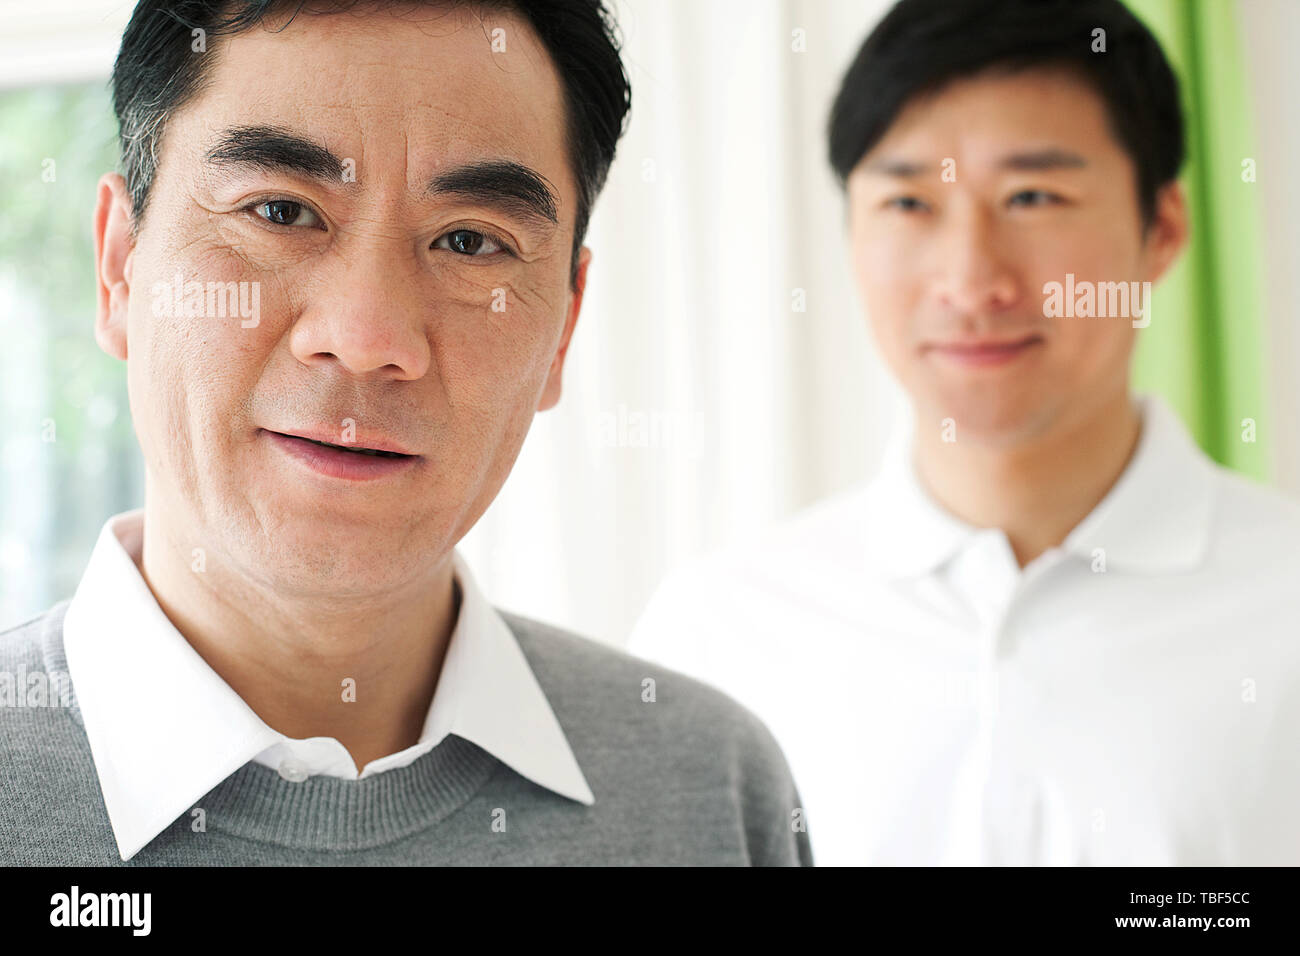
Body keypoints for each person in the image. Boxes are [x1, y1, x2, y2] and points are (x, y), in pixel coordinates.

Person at [0, 0, 812, 867]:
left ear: (564, 331)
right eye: (278, 211)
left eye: (470, 240)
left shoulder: (710, 793)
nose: (367, 336)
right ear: (120, 268)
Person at [629, 0, 1300, 865]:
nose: (970, 279)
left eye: (1032, 196)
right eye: (909, 203)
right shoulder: (715, 633)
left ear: (1161, 230)